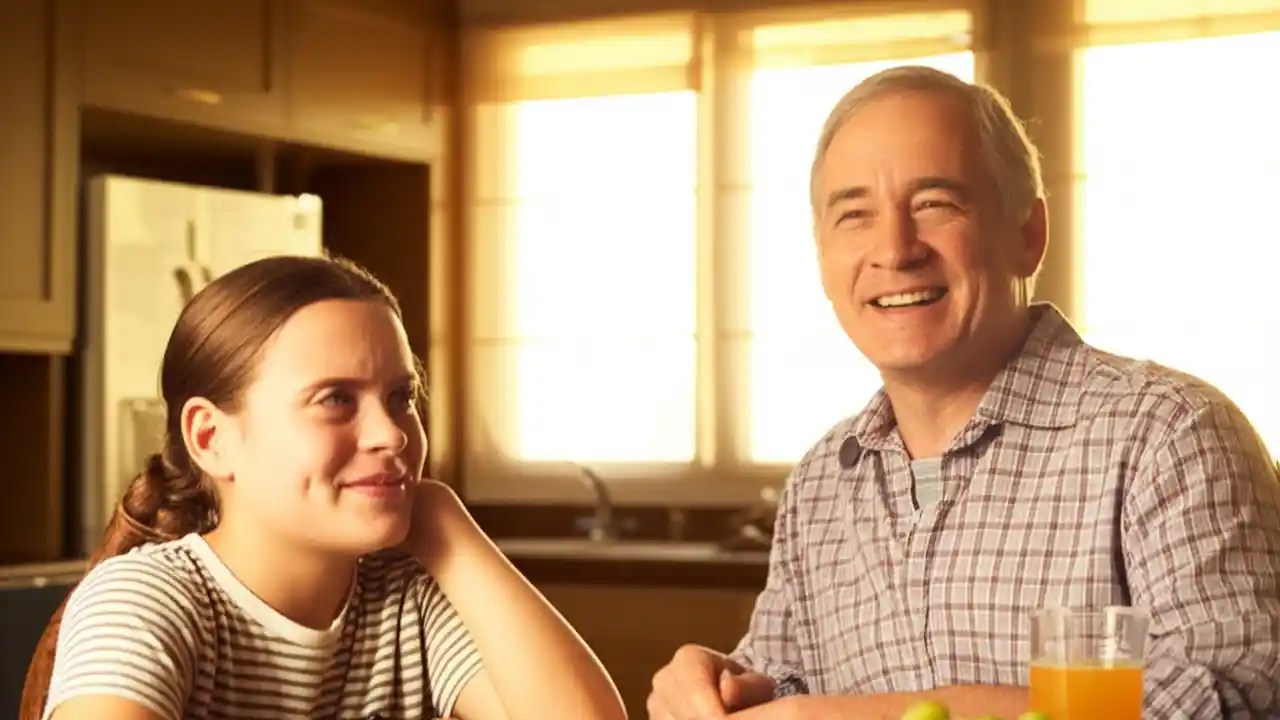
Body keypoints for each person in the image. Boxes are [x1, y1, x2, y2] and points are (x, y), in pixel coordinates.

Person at [648, 65, 1280, 719]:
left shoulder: (1168, 432)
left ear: (1028, 236)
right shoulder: (819, 485)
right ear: (823, 258)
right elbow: (788, 689)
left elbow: (1242, 701)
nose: (894, 250)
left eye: (935, 204)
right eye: (854, 215)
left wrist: (911, 711)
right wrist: (721, 688)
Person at [21, 255, 627, 720]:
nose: (392, 433)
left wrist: (448, 528)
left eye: (401, 397)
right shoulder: (147, 599)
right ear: (211, 438)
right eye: (335, 399)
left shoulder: (410, 602)